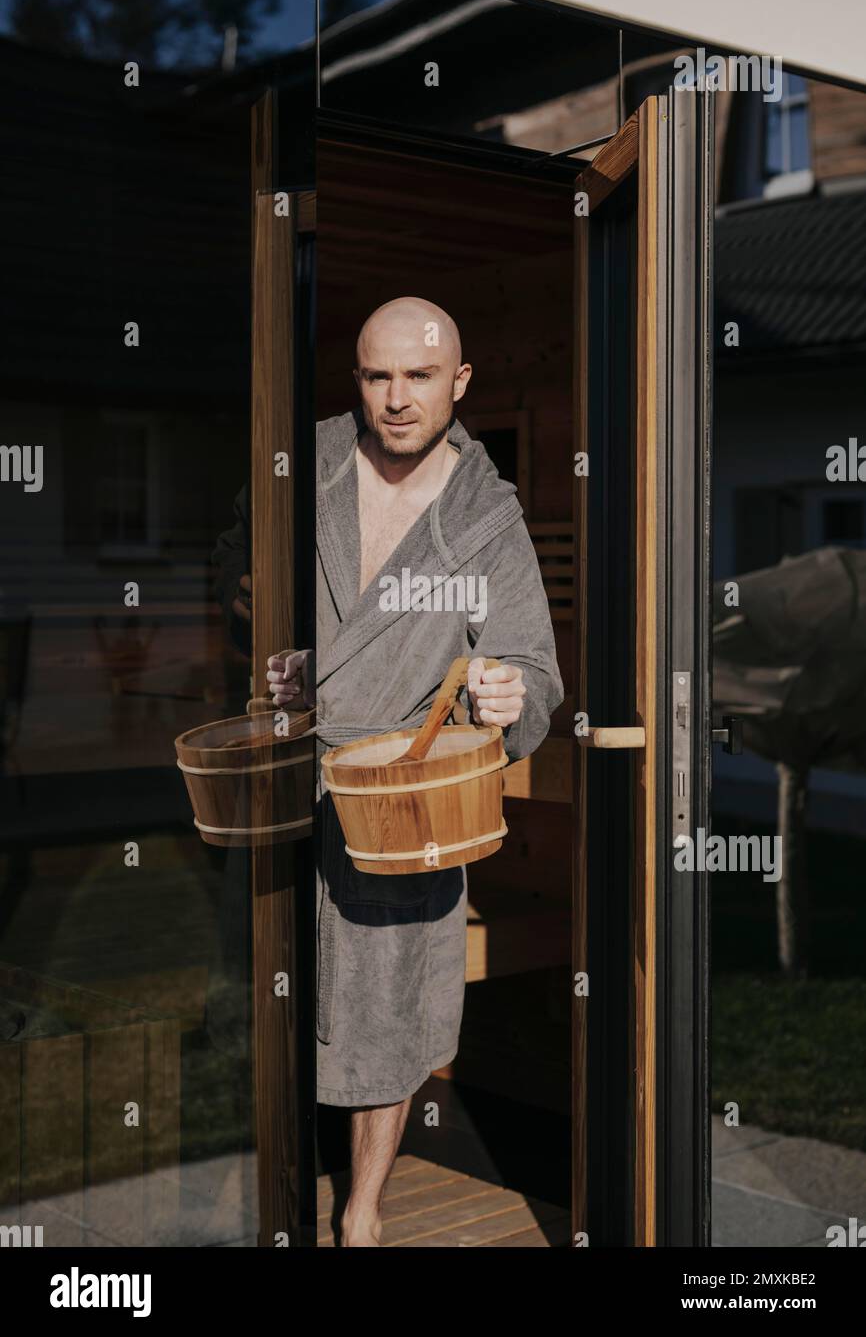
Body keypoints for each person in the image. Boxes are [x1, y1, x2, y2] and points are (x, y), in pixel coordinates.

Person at [268, 296, 563, 1246]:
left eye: (421, 377)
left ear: (460, 382)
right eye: (378, 375)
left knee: (387, 1013)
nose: (397, 399)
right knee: (266, 995)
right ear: (357, 379)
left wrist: (515, 697)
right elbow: (239, 589)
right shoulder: (299, 467)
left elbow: (533, 664)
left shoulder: (487, 516)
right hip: (291, 785)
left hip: (403, 800)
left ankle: (361, 1211)